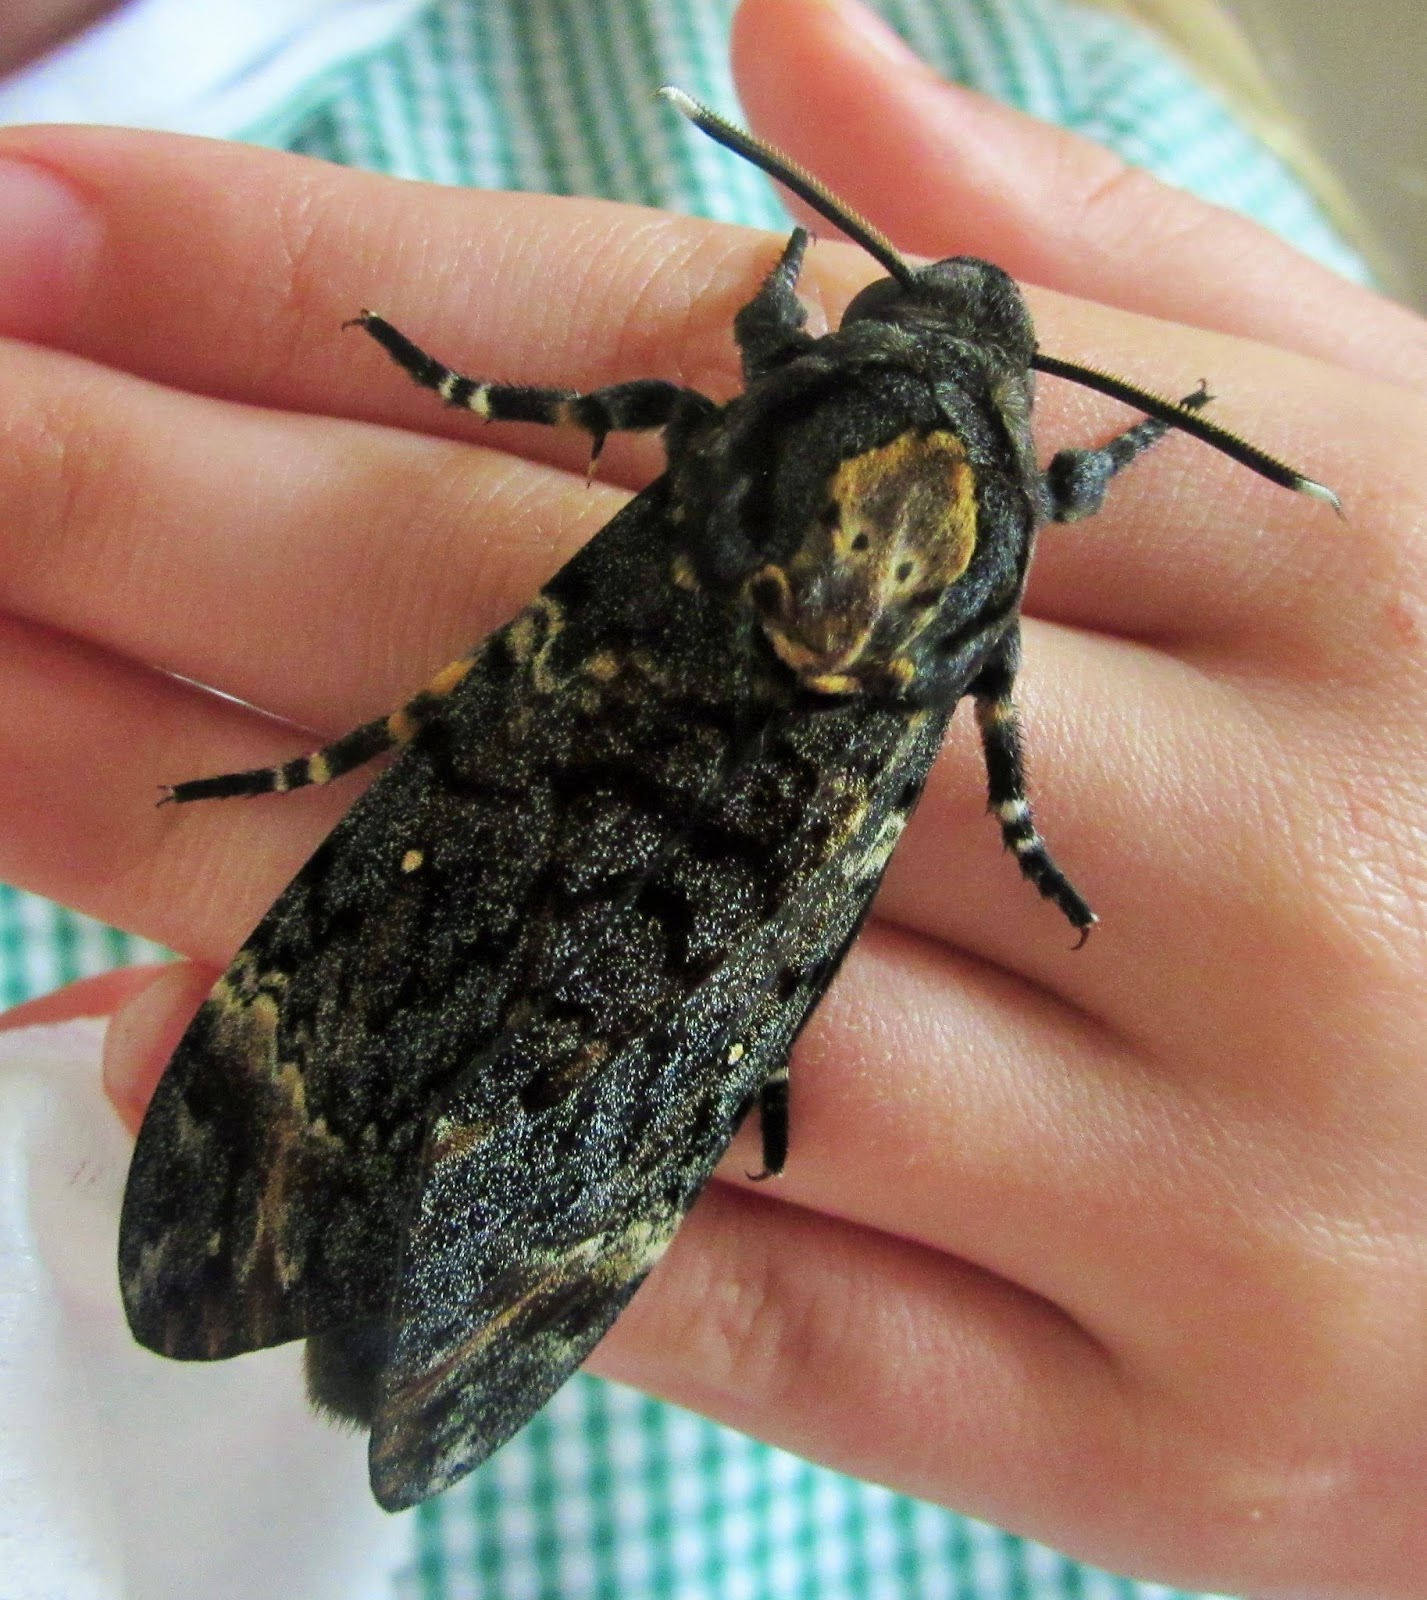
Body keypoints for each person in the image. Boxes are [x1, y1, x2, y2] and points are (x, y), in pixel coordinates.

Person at [3, 0, 1426, 1596]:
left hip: (497, 806)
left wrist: (621, 336)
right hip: (758, 918)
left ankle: (304, 1214)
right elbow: (1007, 691)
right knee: (712, 1020)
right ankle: (463, 1274)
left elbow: (674, 380)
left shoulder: (747, 404)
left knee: (449, 810)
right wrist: (1020, 824)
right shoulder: (1002, 566)